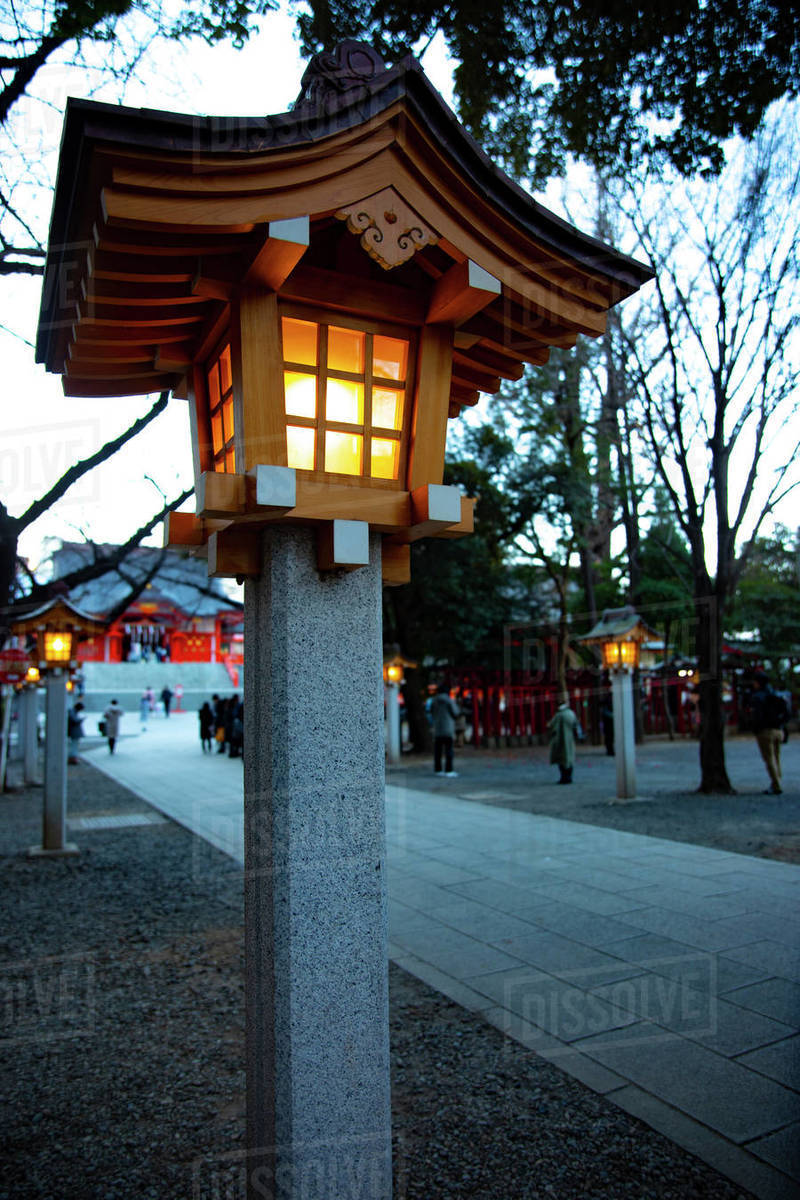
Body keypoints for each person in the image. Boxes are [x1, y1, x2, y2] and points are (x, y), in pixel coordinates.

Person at [748, 673, 788, 795]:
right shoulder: (775, 694)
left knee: (769, 759)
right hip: (778, 729)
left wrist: (755, 728)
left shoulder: (758, 697)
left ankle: (776, 784)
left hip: (765, 730)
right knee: (776, 757)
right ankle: (777, 781)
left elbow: (757, 715)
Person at [430, 683, 460, 777]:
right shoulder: (449, 700)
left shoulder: (434, 701)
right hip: (448, 728)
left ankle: (438, 769)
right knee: (449, 750)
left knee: (438, 750)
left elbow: (431, 712)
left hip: (437, 728)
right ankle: (449, 770)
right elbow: (455, 712)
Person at [548, 697, 579, 784]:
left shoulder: (559, 715)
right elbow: (575, 725)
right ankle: (569, 777)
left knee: (562, 759)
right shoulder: (571, 713)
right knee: (569, 758)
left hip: (560, 739)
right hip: (570, 739)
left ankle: (564, 777)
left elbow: (552, 726)